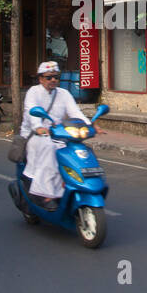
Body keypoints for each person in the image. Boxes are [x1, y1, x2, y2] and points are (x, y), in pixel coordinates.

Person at [20, 61, 89, 210]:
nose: (53, 80)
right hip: (35, 135)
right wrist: (38, 127)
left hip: (59, 135)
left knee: (74, 152)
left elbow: (75, 112)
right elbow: (32, 111)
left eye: (56, 77)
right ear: (41, 79)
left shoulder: (64, 93)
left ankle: (69, 188)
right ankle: (44, 194)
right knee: (50, 148)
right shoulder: (34, 92)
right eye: (49, 77)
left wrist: (89, 125)